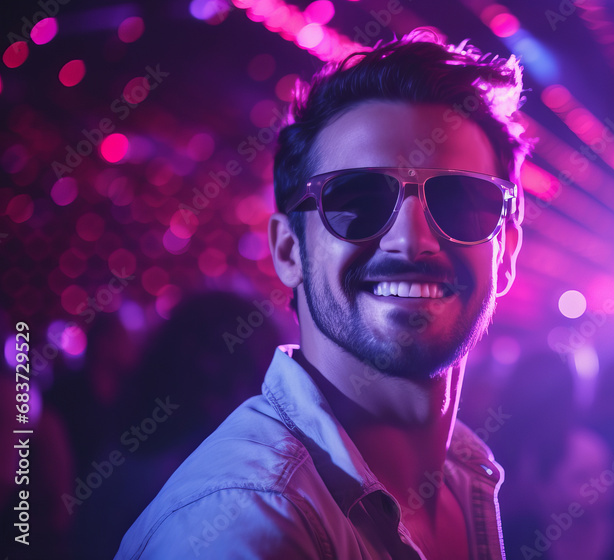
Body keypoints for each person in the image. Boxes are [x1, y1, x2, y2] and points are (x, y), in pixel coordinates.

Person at [116, 29, 529, 559]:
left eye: (460, 201)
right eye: (356, 200)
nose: (412, 240)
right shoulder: (241, 522)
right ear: (289, 251)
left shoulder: (462, 479)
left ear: (506, 253)